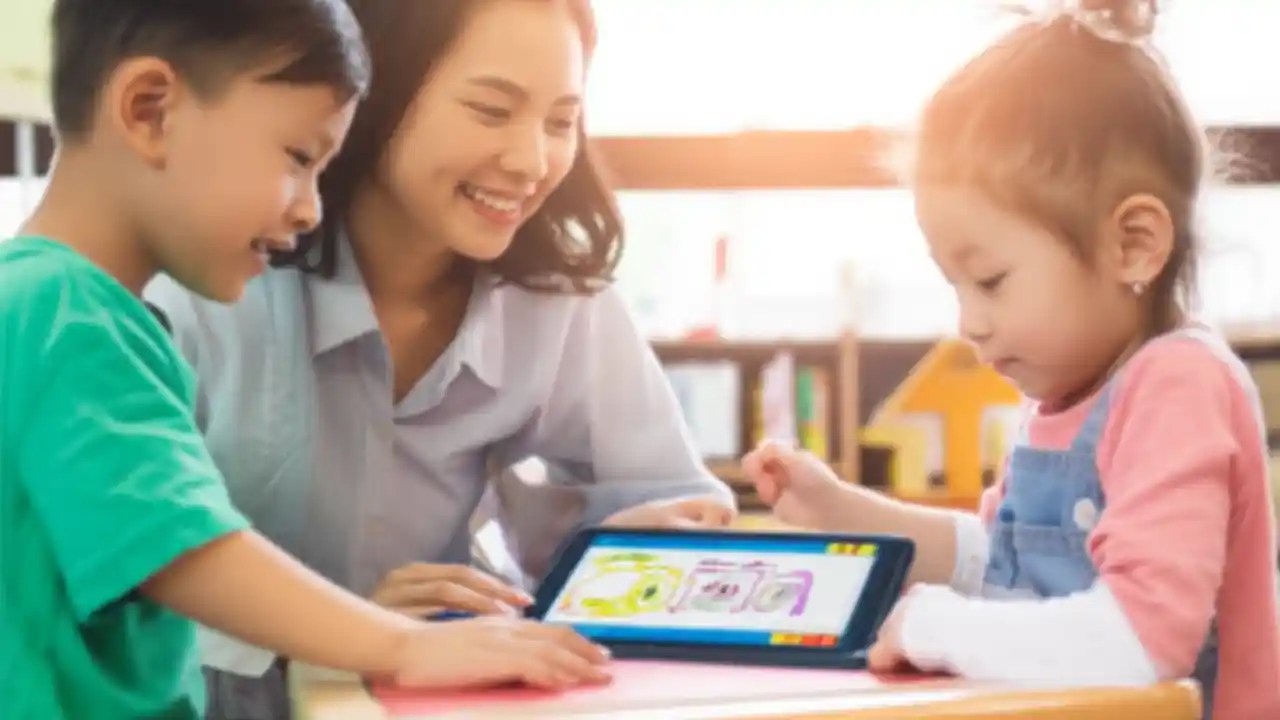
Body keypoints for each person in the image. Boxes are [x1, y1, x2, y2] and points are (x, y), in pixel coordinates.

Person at [0, 2, 614, 718]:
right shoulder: (62, 311)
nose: (310, 211)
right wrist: (401, 645)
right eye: (298, 159)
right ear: (150, 109)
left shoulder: (73, 308)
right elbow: (179, 545)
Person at [144, 0, 734, 715]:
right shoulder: (206, 282)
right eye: (491, 110)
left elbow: (668, 506)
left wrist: (631, 549)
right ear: (370, 89)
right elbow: (109, 559)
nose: (532, 161)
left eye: (561, 120)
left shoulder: (555, 302)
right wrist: (356, 630)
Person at [743, 2, 1280, 719]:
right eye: (954, 286)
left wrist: (939, 629)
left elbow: (1143, 642)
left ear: (1134, 244)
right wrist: (844, 511)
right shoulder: (1067, 398)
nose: (968, 324)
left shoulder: (1178, 386)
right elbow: (998, 560)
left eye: (991, 281)